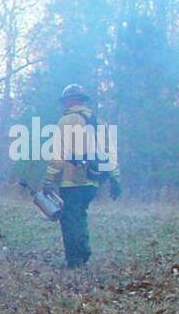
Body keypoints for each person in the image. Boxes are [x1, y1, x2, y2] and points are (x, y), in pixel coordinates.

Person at [41, 84, 121, 268]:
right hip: (93, 181)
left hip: (72, 181)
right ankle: (83, 252)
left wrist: (49, 179)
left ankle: (75, 261)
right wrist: (116, 179)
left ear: (71, 100)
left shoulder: (67, 120)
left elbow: (59, 154)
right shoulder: (99, 121)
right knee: (80, 216)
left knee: (70, 220)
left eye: (65, 101)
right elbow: (110, 152)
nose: (64, 105)